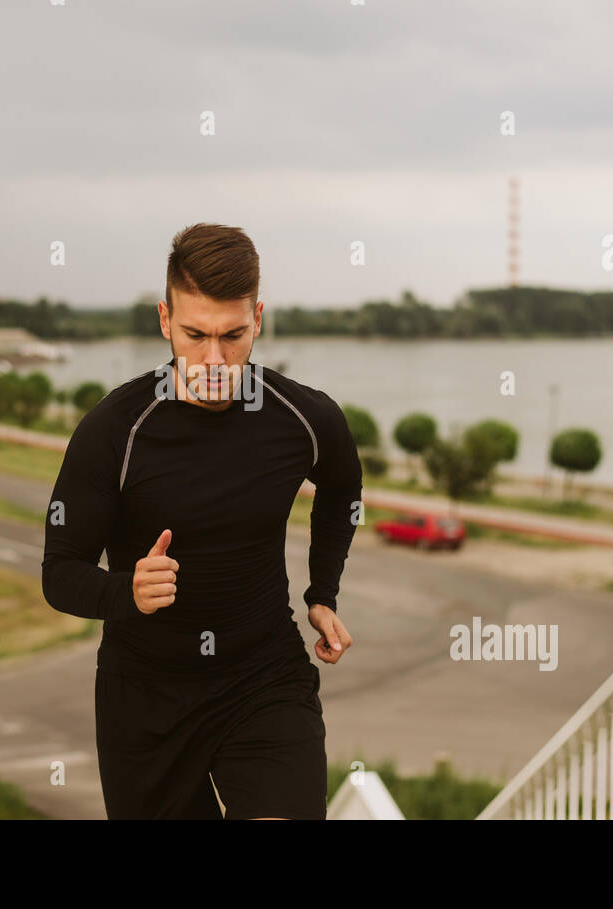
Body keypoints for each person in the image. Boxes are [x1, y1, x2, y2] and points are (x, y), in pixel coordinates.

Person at [41, 223, 363, 819]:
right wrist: (126, 591)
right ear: (165, 320)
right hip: (146, 700)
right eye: (195, 335)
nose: (214, 360)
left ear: (258, 319)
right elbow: (58, 573)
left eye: (232, 335)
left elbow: (343, 489)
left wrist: (322, 591)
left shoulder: (303, 417)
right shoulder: (115, 431)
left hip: (263, 679)